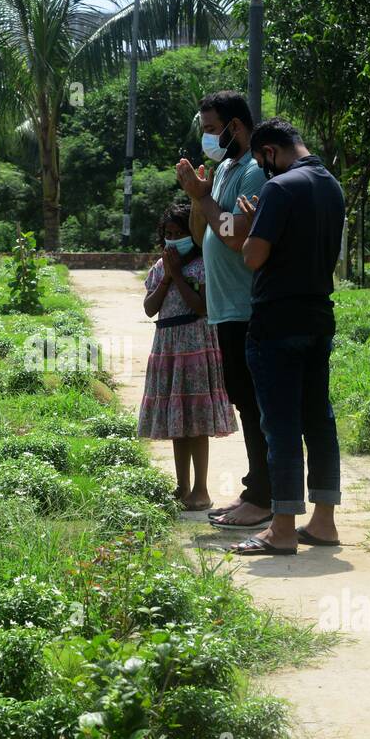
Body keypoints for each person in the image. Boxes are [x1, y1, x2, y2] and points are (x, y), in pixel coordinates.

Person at [229, 118, 345, 555]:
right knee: (318, 420)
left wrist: (254, 222)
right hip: (318, 314)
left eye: (263, 162)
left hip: (277, 319)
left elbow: (254, 257)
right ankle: (324, 524)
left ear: (270, 152)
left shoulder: (279, 189)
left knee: (279, 424)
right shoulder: (331, 185)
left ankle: (281, 529)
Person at [174, 91, 271, 531]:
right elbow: (201, 232)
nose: (207, 139)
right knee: (242, 398)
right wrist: (197, 194)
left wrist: (206, 200)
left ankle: (265, 496)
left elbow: (234, 233)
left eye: (213, 130)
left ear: (235, 127)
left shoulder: (254, 171)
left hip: (247, 306)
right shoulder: (224, 168)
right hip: (223, 309)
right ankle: (255, 488)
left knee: (254, 403)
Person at [138, 201, 236, 510]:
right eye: (168, 233)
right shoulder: (159, 268)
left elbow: (201, 306)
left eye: (179, 232)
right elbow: (149, 308)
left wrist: (178, 275)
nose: (172, 238)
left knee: (196, 421)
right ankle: (181, 487)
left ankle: (201, 490)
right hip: (167, 345)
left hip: (194, 344)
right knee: (177, 422)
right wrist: (167, 276)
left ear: (192, 235)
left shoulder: (202, 265)